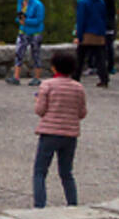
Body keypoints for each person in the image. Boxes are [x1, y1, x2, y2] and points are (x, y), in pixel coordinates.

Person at [32, 49, 86, 207]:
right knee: (66, 172)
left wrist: (37, 101)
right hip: (70, 134)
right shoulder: (78, 87)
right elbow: (82, 113)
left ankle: (40, 205)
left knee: (40, 172)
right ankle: (72, 203)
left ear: (54, 67)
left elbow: (40, 111)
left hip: (49, 133)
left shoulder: (47, 85)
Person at [73, 0, 111, 88]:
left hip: (87, 33)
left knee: (80, 57)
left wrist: (79, 35)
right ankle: (104, 78)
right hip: (99, 33)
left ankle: (76, 77)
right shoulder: (100, 2)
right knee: (100, 58)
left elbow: (81, 20)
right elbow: (104, 17)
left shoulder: (83, 2)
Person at [10, 0, 45, 86]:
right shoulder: (20, 2)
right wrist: (20, 20)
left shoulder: (37, 4)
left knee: (35, 54)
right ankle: (16, 76)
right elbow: (18, 16)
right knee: (19, 53)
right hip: (23, 31)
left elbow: (39, 20)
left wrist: (26, 21)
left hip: (35, 32)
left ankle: (37, 77)